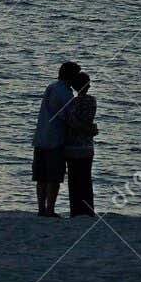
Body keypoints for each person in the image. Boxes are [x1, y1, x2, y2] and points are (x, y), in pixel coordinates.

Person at [32, 61, 80, 217]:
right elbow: (70, 117)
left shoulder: (52, 86)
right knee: (53, 177)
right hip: (55, 139)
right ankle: (50, 210)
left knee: (41, 177)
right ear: (71, 76)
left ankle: (41, 209)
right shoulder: (65, 93)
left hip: (41, 136)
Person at [63, 70, 98, 216]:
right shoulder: (92, 101)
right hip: (87, 146)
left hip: (72, 147)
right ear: (87, 86)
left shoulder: (72, 103)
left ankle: (76, 210)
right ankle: (88, 210)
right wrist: (91, 129)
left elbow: (71, 121)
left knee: (74, 180)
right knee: (86, 180)